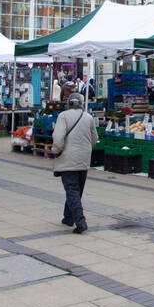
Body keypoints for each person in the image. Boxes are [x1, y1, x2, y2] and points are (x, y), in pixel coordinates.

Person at [52, 92, 98, 232]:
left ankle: (80, 221)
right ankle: (68, 217)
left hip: (67, 159)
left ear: (69, 103)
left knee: (72, 190)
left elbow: (58, 138)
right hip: (83, 159)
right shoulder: (88, 117)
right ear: (81, 103)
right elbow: (94, 138)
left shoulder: (63, 116)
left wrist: (56, 150)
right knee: (76, 190)